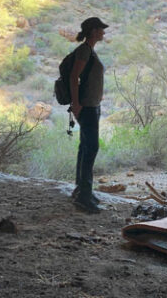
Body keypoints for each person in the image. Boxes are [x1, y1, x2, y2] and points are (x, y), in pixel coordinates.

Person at [69, 16, 108, 213]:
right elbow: (73, 77)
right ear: (93, 31)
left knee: (85, 147)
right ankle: (84, 197)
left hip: (92, 106)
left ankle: (82, 190)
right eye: (101, 29)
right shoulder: (84, 50)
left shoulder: (89, 51)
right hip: (87, 107)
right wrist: (76, 103)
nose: (103, 32)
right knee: (91, 148)